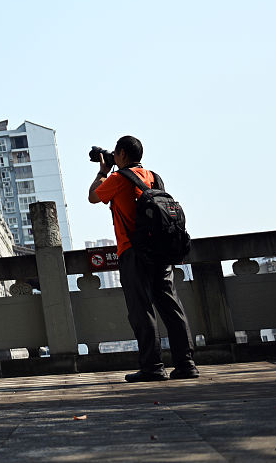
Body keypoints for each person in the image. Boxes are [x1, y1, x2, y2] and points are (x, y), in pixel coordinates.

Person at [88, 135, 199, 382]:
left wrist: (102, 171)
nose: (114, 158)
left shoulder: (117, 179)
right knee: (171, 307)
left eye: (116, 154)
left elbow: (93, 196)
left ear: (123, 155)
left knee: (142, 310)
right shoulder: (155, 177)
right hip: (161, 251)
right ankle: (186, 364)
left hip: (133, 252)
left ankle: (152, 367)